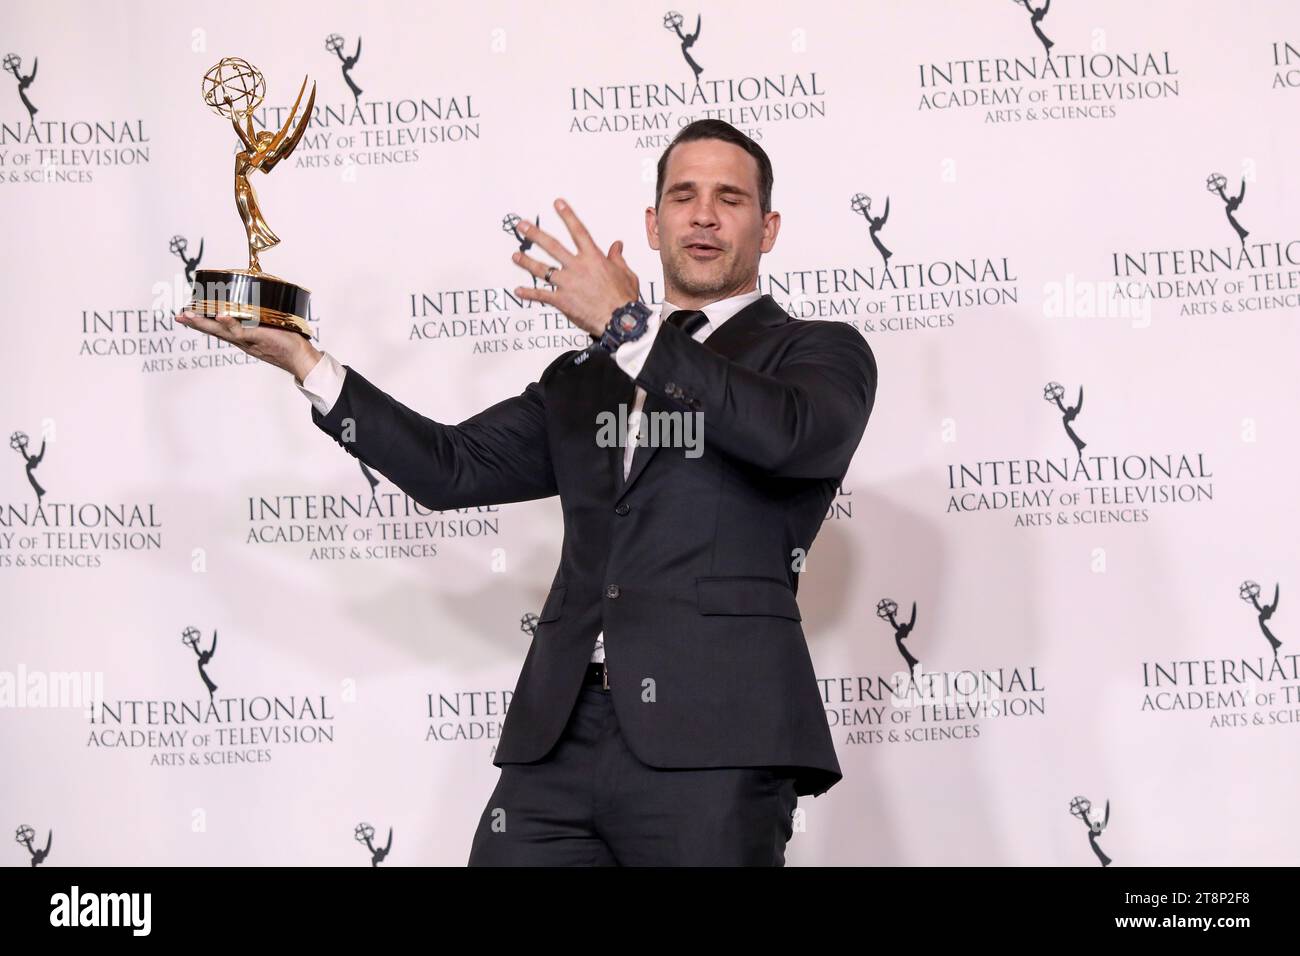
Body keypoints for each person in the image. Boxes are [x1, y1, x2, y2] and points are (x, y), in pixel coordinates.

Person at [179, 119, 878, 866]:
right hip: (558, 744)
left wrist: (630, 326)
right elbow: (450, 466)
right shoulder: (585, 379)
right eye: (683, 195)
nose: (703, 214)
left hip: (719, 743)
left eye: (729, 198)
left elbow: (786, 435)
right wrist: (308, 364)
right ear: (653, 222)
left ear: (768, 228)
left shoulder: (818, 352)